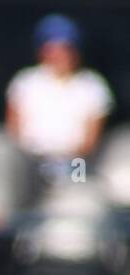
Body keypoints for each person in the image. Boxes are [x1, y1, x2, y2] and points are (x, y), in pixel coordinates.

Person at [6, 13, 113, 174]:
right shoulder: (25, 82)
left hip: (75, 162)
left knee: (80, 193)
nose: (60, 55)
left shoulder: (93, 86)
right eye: (53, 48)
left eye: (66, 48)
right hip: (29, 162)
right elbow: (13, 128)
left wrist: (67, 162)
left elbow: (91, 138)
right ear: (42, 51)